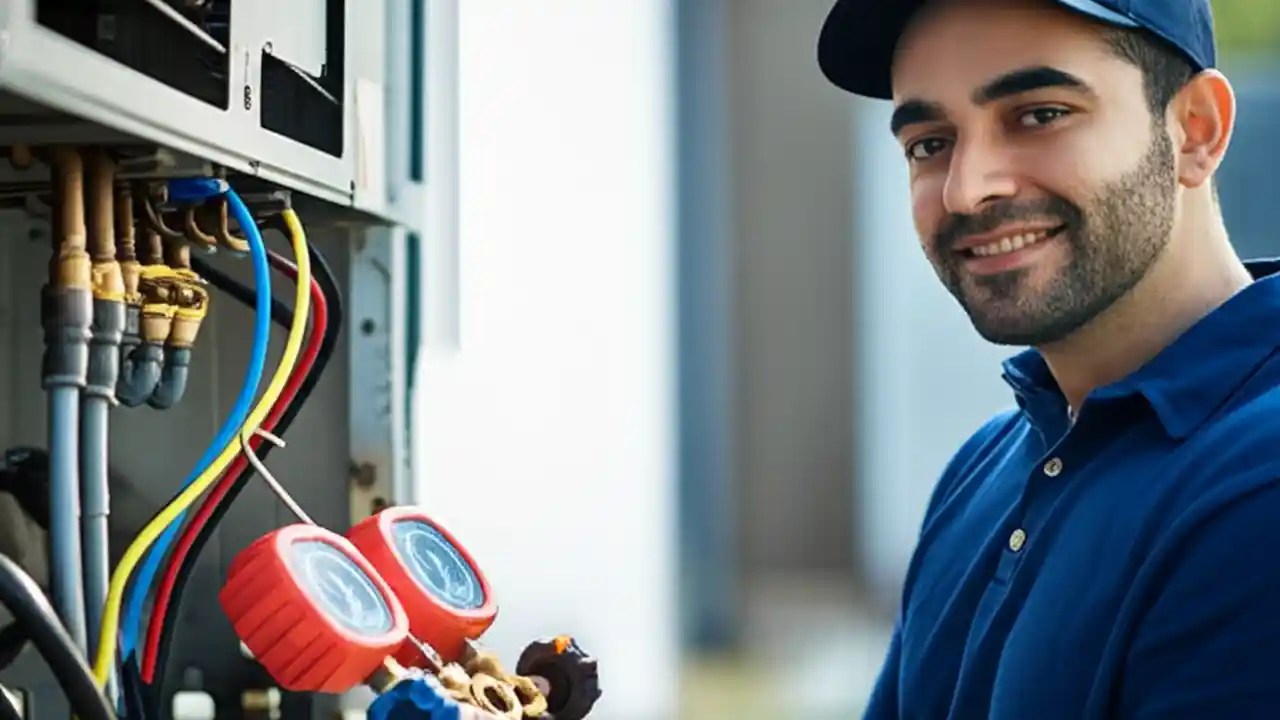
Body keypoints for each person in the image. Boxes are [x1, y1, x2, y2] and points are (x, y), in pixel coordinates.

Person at [818, 0, 1280, 717]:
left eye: (1039, 115)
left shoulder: (1260, 483)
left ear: (1197, 130)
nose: (969, 188)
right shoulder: (988, 466)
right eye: (929, 143)